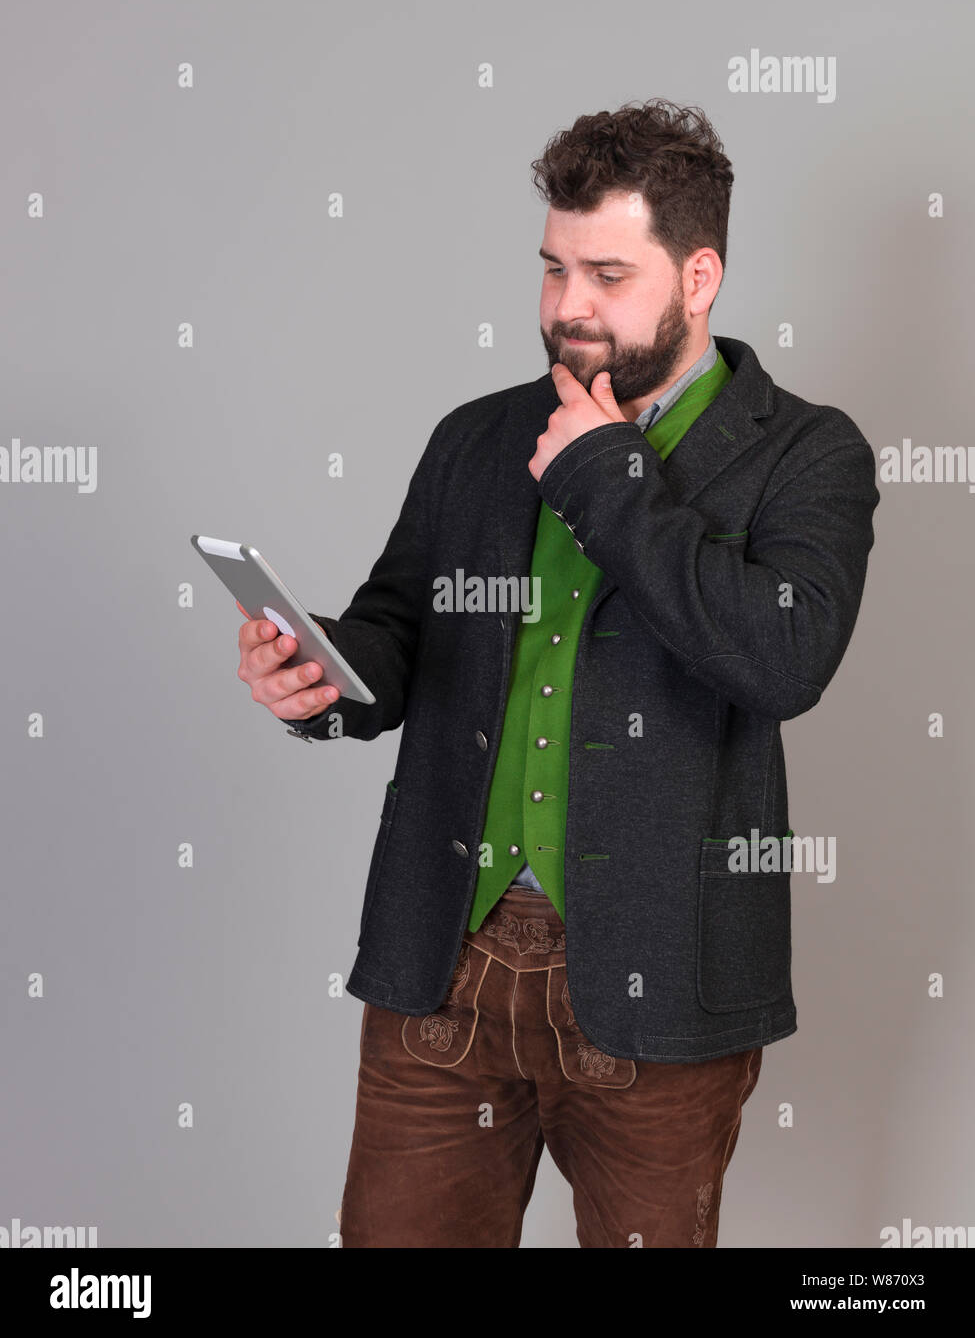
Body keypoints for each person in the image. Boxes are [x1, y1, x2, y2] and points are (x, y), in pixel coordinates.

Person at [235, 99, 880, 1248]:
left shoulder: (806, 451)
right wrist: (326, 679)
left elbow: (781, 658)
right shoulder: (476, 438)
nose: (567, 307)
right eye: (551, 269)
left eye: (606, 273)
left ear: (698, 277)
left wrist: (605, 476)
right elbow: (400, 630)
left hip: (657, 982)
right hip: (445, 966)